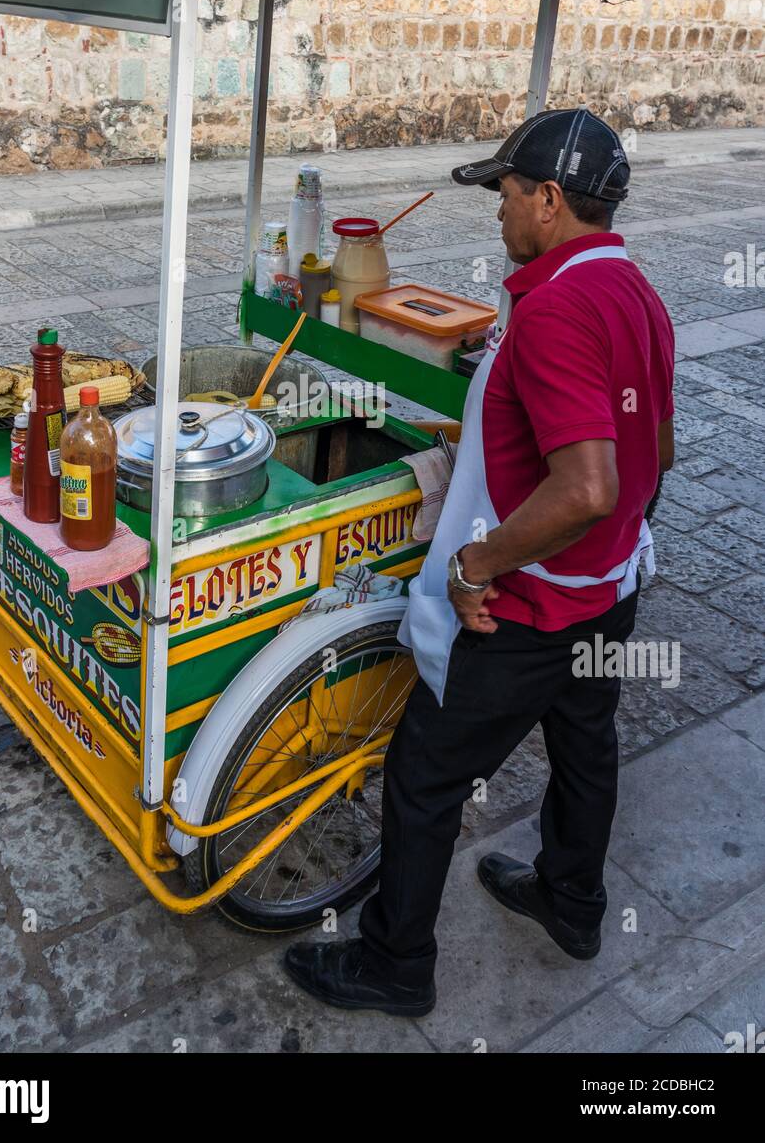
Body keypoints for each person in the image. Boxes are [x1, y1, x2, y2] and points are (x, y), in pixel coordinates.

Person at [284, 106, 675, 1017]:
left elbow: (584, 487)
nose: (496, 212)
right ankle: (571, 903)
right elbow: (655, 447)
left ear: (546, 198)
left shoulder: (557, 311)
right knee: (585, 747)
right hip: (606, 595)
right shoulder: (635, 292)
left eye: (503, 193)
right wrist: (615, 553)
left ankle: (394, 963)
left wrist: (476, 566)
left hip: (526, 610)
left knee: (422, 775)